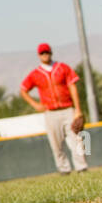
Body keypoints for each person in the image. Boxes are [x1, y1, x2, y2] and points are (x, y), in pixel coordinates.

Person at [19, 42, 88, 174]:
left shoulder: (63, 68)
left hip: (68, 109)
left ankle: (82, 167)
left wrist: (77, 109)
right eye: (42, 53)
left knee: (77, 140)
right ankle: (64, 169)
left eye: (47, 52)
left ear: (51, 52)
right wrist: (35, 105)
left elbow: (73, 87)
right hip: (50, 112)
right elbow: (23, 90)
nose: (45, 55)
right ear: (39, 55)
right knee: (56, 144)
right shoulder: (35, 74)